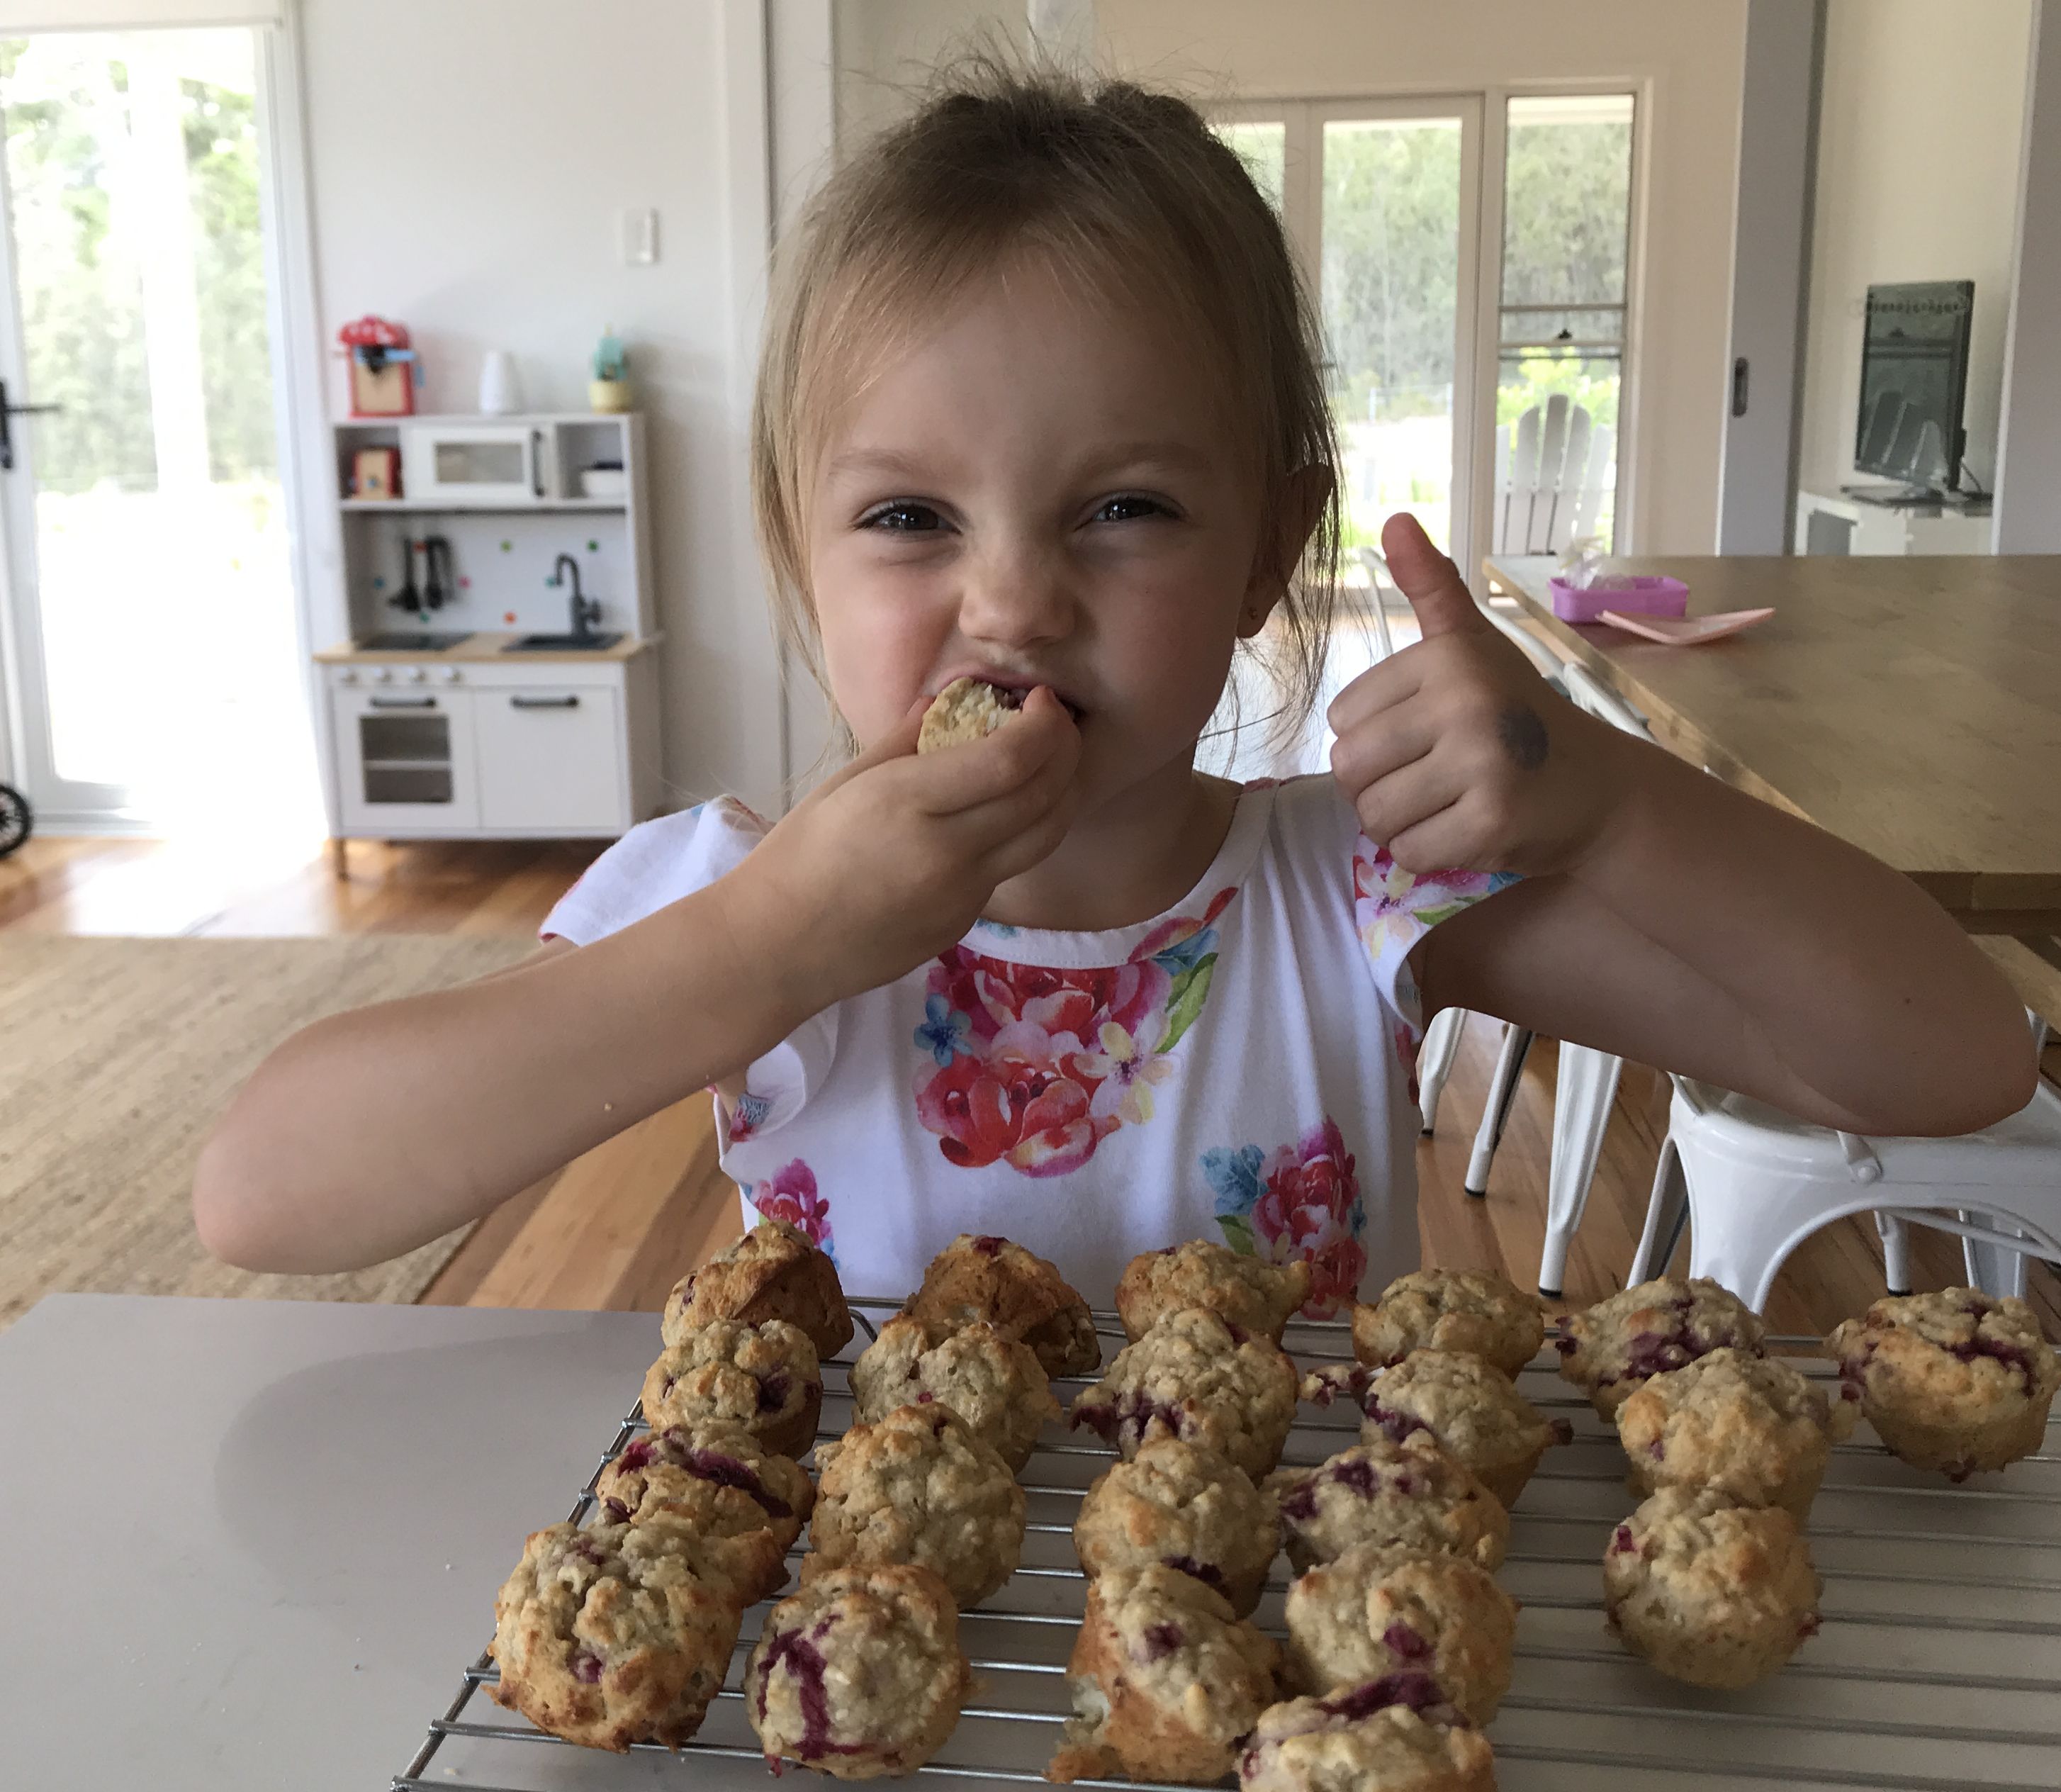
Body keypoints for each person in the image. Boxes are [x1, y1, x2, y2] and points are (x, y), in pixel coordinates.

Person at [193, 60, 2033, 1316]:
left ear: (1260, 554)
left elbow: (1946, 1065)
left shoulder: (1355, 898)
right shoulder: (729, 907)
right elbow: (267, 1194)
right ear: (794, 552)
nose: (1009, 599)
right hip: (880, 1672)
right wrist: (769, 949)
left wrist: (1619, 807)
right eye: (908, 515)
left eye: (1124, 508)